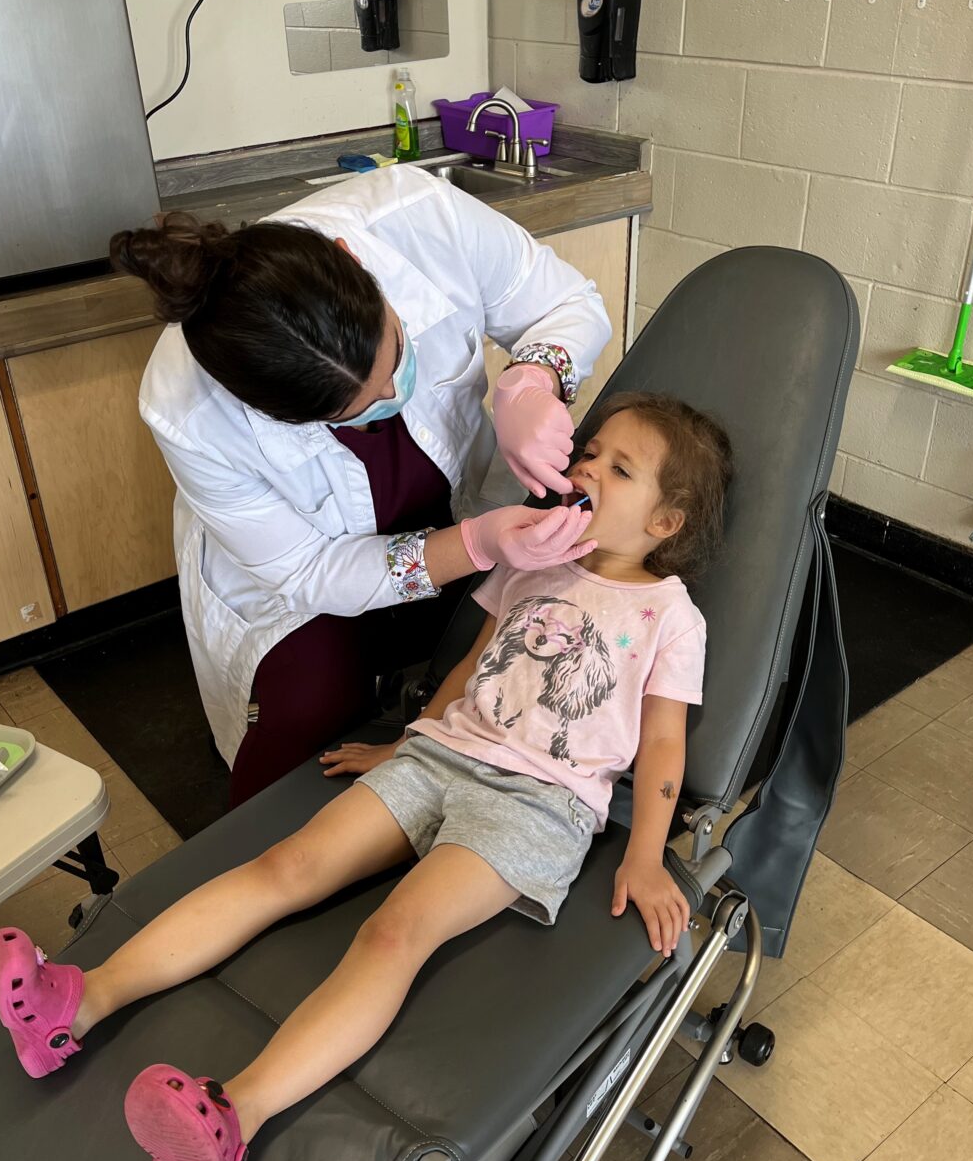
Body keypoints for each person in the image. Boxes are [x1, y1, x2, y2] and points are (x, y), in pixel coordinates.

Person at [0, 392, 733, 1161]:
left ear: (667, 522)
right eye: (589, 452)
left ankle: (237, 1116)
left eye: (618, 469)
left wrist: (647, 854)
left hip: (536, 804)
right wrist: (411, 741)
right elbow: (474, 666)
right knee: (285, 866)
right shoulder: (530, 554)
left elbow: (663, 746)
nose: (586, 467)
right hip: (441, 756)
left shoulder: (670, 615)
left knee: (393, 933)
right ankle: (75, 1001)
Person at [117, 164, 612, 806]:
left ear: (354, 260)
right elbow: (310, 569)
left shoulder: (419, 216)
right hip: (312, 577)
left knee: (487, 665)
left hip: (456, 497)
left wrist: (534, 379)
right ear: (275, 412)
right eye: (362, 407)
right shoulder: (187, 409)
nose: (393, 394)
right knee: (303, 713)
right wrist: (479, 545)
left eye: (398, 353)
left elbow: (569, 304)